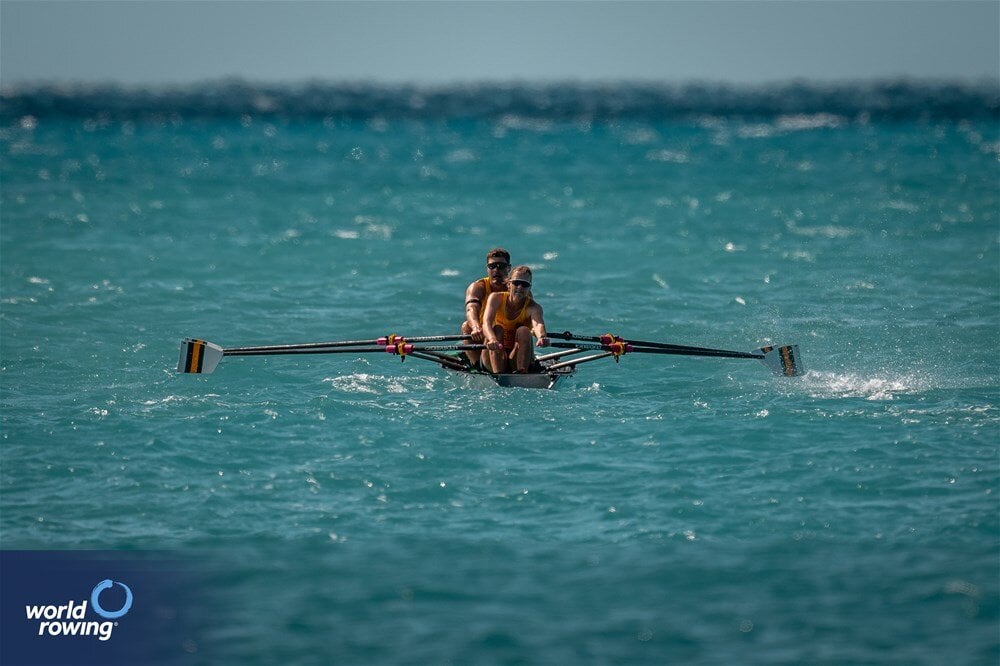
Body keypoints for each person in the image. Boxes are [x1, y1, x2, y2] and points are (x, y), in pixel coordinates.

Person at [482, 265, 550, 374]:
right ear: (509, 284)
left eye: (524, 284)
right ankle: (498, 374)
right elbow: (486, 323)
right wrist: (491, 339)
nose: (520, 287)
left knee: (523, 330)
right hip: (493, 353)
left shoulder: (534, 307)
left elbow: (538, 325)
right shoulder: (496, 298)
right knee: (497, 329)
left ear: (529, 288)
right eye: (516, 283)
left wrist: (542, 337)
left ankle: (522, 372)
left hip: (516, 356)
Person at [461, 248, 512, 367]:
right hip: (485, 337)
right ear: (487, 268)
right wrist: (475, 327)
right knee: (466, 326)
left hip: (508, 337)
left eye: (501, 266)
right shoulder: (478, 287)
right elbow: (471, 308)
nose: (496, 270)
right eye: (492, 266)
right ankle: (477, 365)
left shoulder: (517, 288)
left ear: (509, 268)